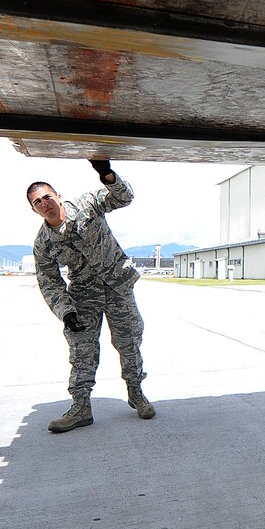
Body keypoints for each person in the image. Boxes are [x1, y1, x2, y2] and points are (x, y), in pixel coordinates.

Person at [28, 159, 155, 433]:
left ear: (58, 196)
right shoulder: (43, 243)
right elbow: (48, 280)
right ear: (34, 209)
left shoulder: (88, 204)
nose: (44, 203)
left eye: (47, 196)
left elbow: (124, 197)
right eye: (38, 202)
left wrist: (107, 175)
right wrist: (65, 310)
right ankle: (80, 407)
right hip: (84, 295)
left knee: (129, 341)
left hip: (117, 286)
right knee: (81, 349)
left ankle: (136, 393)